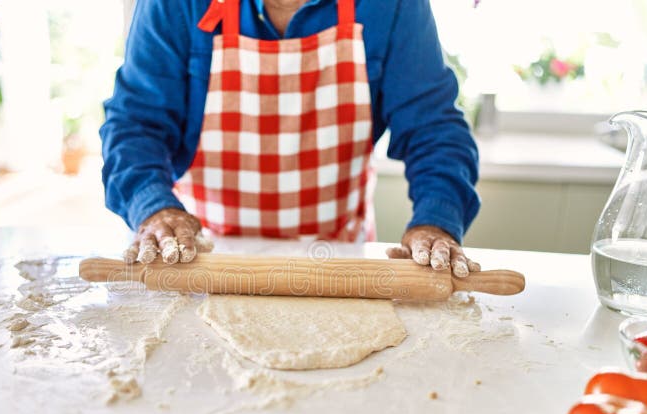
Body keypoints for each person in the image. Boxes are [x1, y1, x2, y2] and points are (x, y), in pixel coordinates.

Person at [101, 0, 481, 276]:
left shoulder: (393, 6)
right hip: (204, 261)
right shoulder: (175, 5)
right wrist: (155, 209)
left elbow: (435, 130)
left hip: (340, 263)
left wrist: (436, 221)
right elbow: (135, 127)